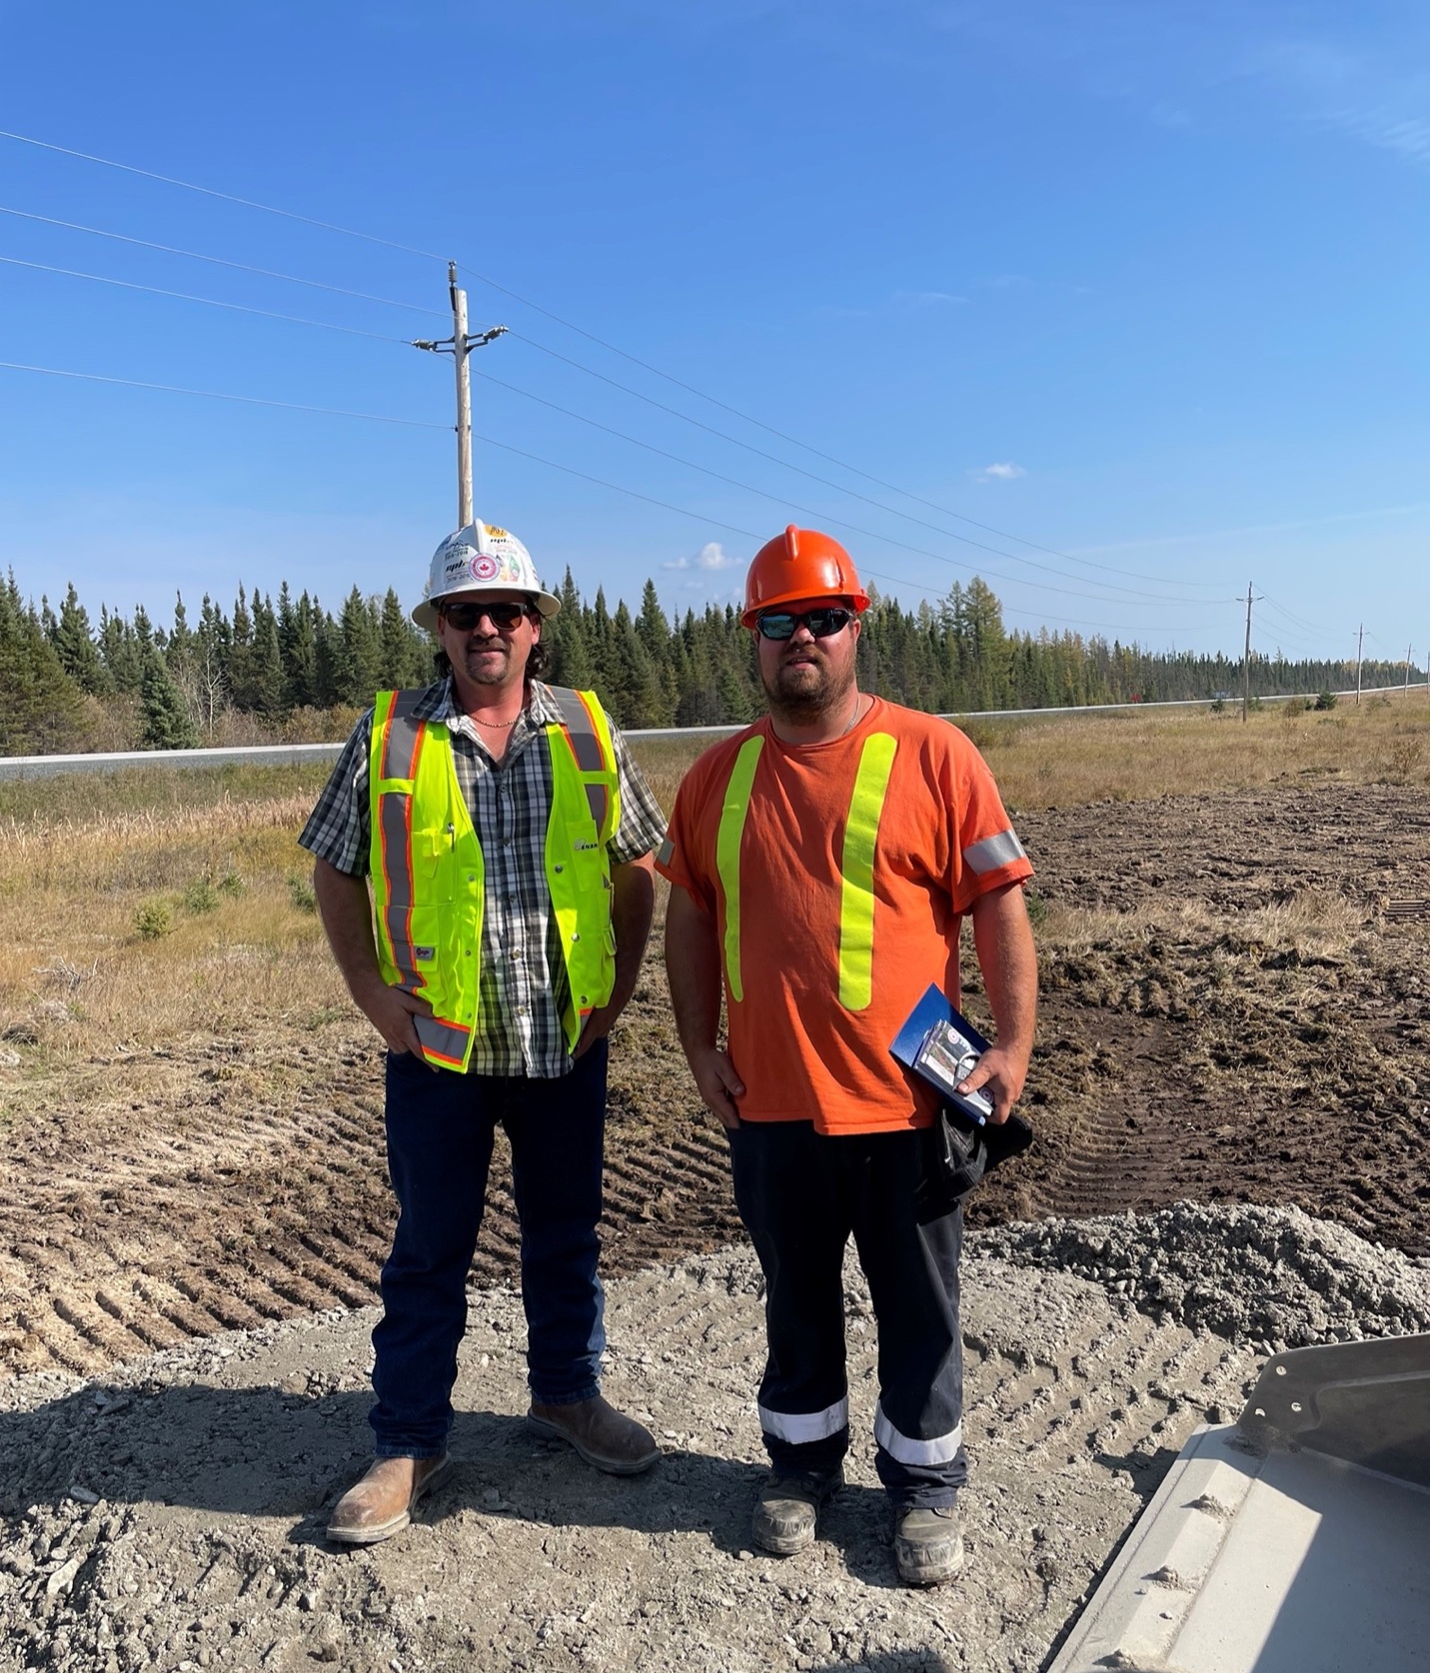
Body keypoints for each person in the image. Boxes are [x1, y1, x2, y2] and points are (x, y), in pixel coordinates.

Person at [658, 526, 1037, 1586]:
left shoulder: (934, 754)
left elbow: (998, 901)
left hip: (906, 1105)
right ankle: (800, 1464)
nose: (802, 639)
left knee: (919, 1307)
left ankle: (923, 1482)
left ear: (854, 626)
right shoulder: (716, 778)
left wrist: (1011, 1045)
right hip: (770, 1102)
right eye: (778, 622)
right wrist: (696, 1045)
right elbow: (689, 913)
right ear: (753, 637)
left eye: (822, 619)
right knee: (794, 1300)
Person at [300, 520, 668, 1547]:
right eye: (466, 612)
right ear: (440, 628)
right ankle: (408, 1442)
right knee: (429, 1250)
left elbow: (638, 860)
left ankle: (566, 1394)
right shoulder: (388, 737)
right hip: (439, 1053)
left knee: (566, 1236)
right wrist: (373, 996)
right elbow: (334, 867)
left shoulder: (587, 729)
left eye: (506, 610)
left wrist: (617, 988)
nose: (487, 628)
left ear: (535, 625)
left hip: (561, 1043)